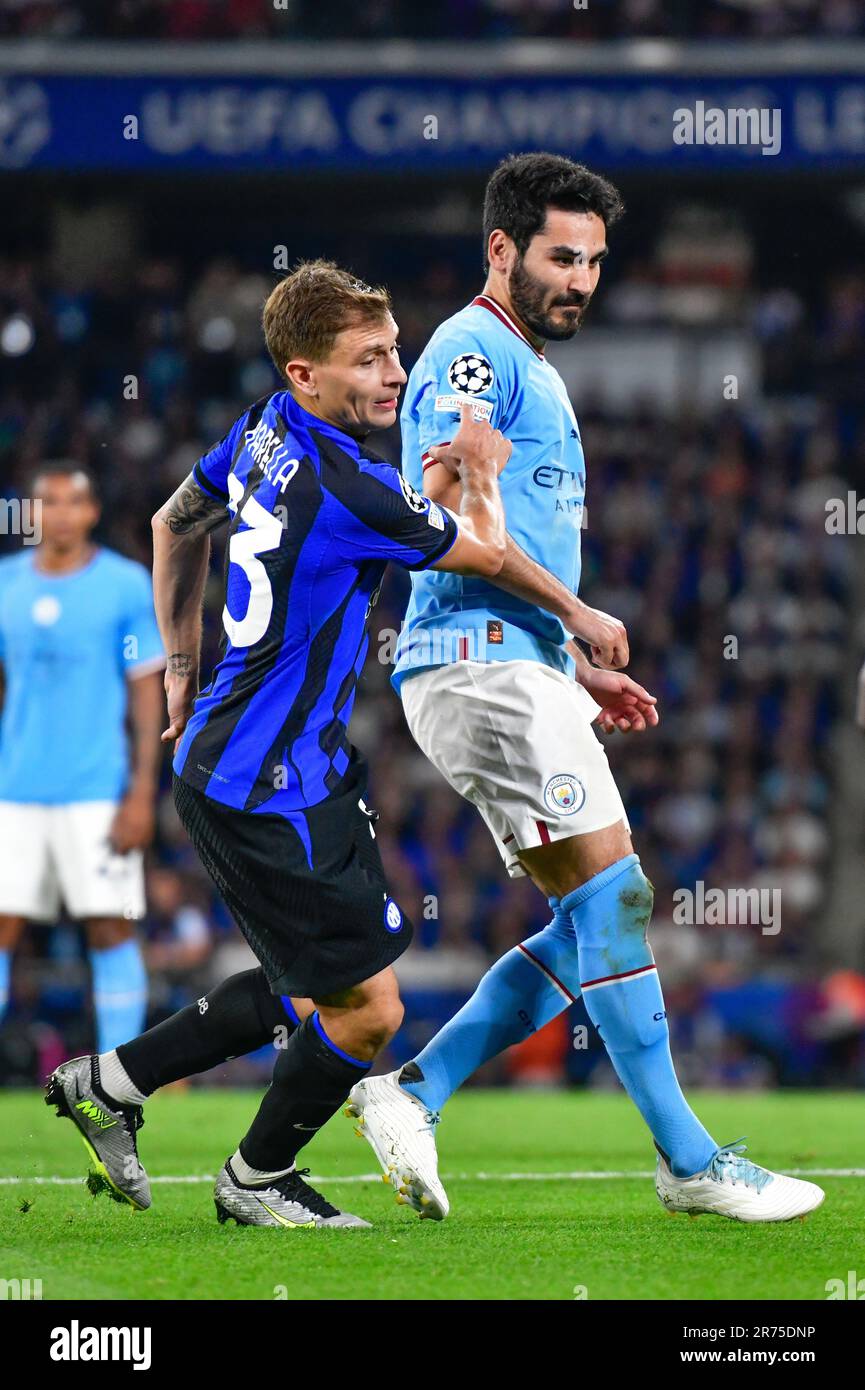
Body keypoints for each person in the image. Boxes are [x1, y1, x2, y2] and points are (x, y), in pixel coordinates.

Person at [45, 259, 610, 1229]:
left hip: (276, 767)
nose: (395, 373)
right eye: (368, 360)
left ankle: (112, 1082)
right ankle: (254, 1179)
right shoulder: (347, 483)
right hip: (264, 788)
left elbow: (171, 521)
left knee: (308, 982)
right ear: (305, 372)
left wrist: (182, 665)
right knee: (368, 1011)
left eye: (395, 351)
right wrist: (575, 604)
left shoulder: (269, 432)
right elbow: (484, 552)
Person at [347, 153, 825, 1225]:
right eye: (562, 256)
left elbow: (484, 519)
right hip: (480, 665)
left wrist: (567, 663)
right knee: (614, 898)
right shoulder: (472, 350)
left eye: (596, 261)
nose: (581, 279)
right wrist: (573, 617)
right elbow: (443, 524)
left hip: (509, 665)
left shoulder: (523, 360)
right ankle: (689, 1160)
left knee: (595, 907)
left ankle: (415, 1090)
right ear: (501, 250)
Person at [0, 462, 164, 1052]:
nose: (61, 515)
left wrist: (142, 791)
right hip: (12, 788)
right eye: (48, 503)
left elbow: (147, 691)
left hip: (98, 789)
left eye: (73, 503)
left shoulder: (123, 584)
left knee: (110, 926)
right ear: (31, 513)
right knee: (2, 927)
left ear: (91, 512)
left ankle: (118, 1078)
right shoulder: (5, 584)